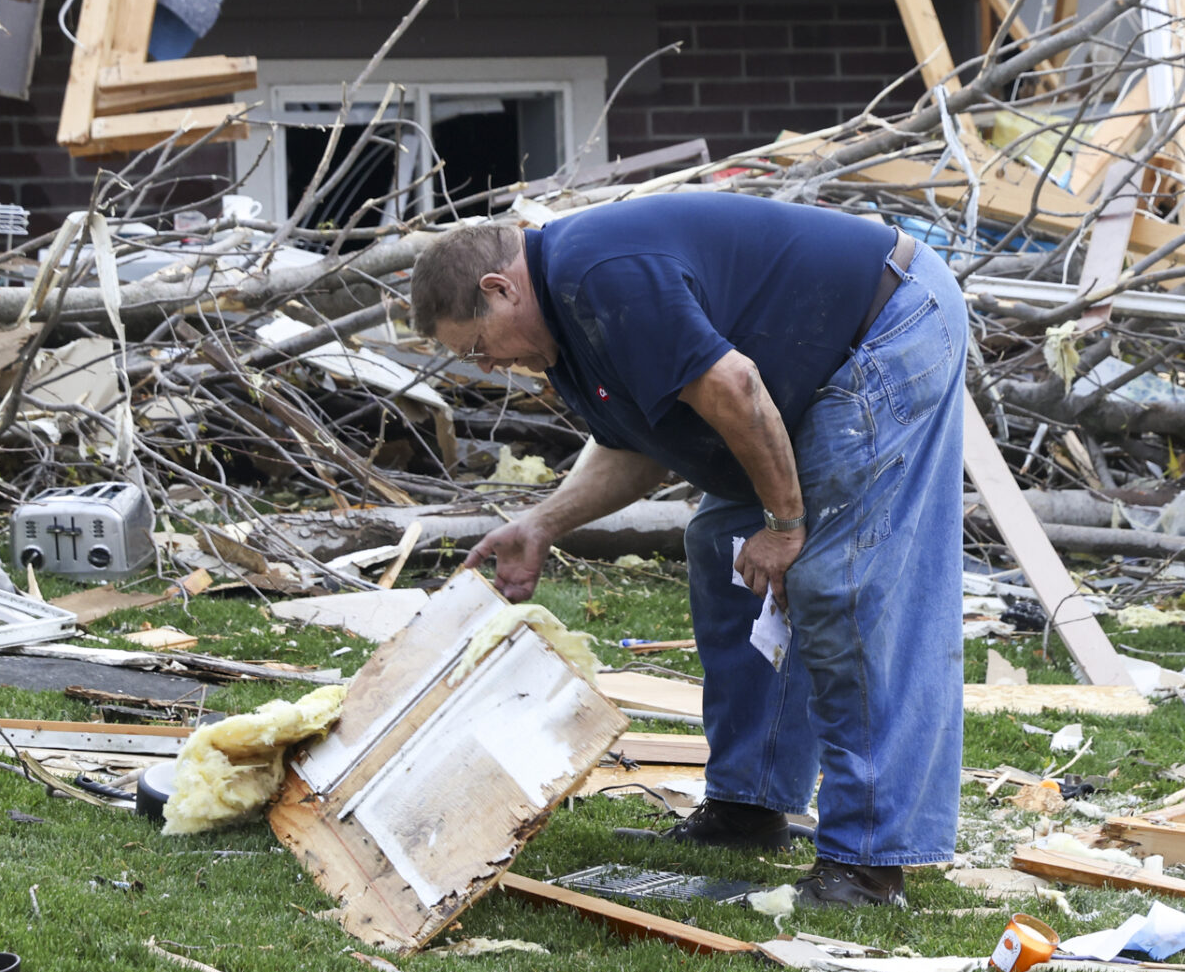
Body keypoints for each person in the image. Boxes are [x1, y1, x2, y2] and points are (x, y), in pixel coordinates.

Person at [412, 192, 965, 908]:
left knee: (836, 582)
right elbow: (637, 447)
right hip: (802, 372)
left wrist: (786, 526)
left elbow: (734, 386)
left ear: (499, 289)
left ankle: (868, 864)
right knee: (721, 547)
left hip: (885, 326)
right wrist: (542, 524)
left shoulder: (600, 274)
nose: (488, 366)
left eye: (477, 346)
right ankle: (748, 808)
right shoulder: (566, 327)